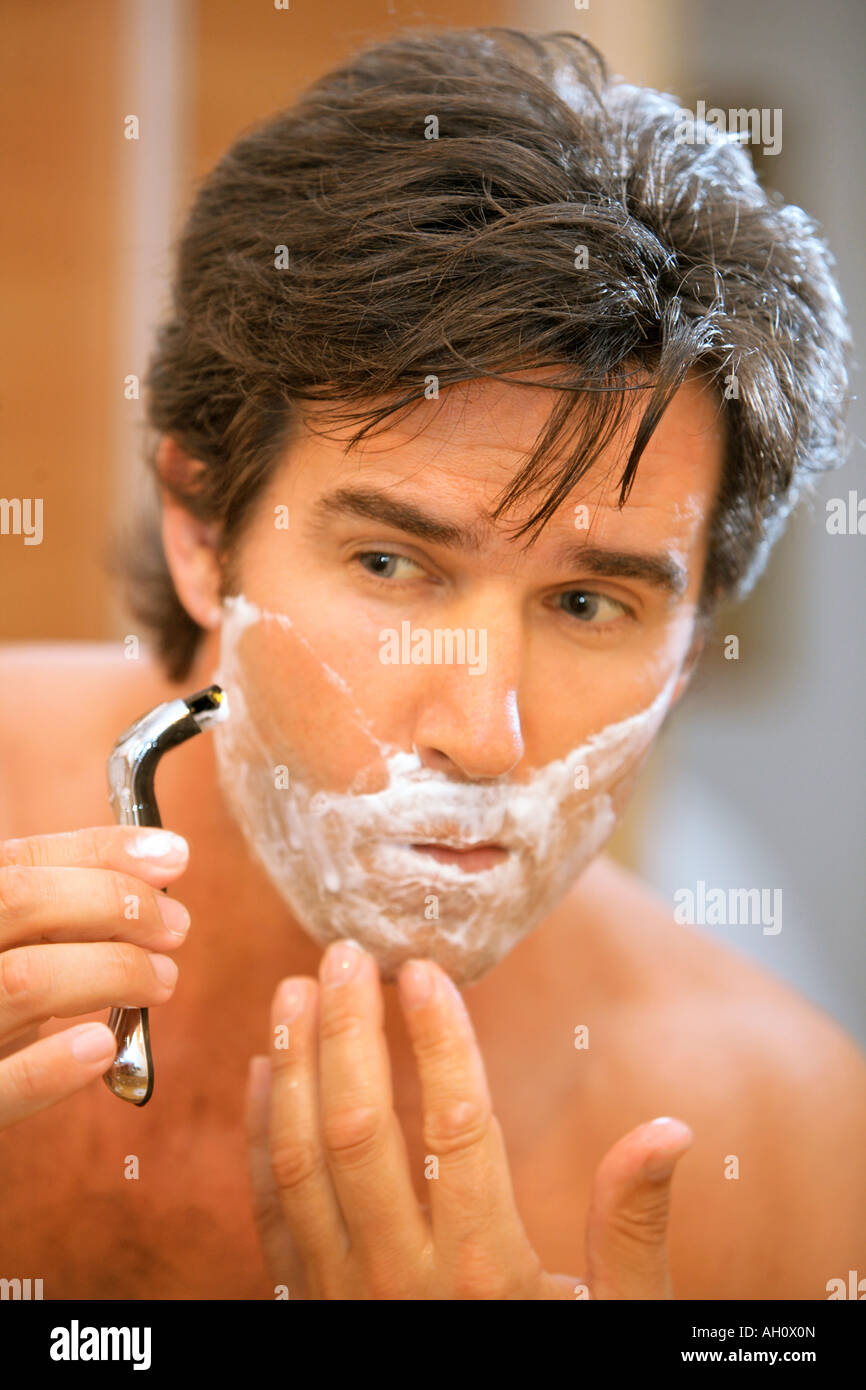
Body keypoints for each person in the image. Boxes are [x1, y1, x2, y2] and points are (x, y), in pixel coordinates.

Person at [0, 26, 862, 1301]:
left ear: (686, 652)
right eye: (393, 566)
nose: (481, 727)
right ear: (199, 526)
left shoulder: (788, 1142)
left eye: (585, 601)